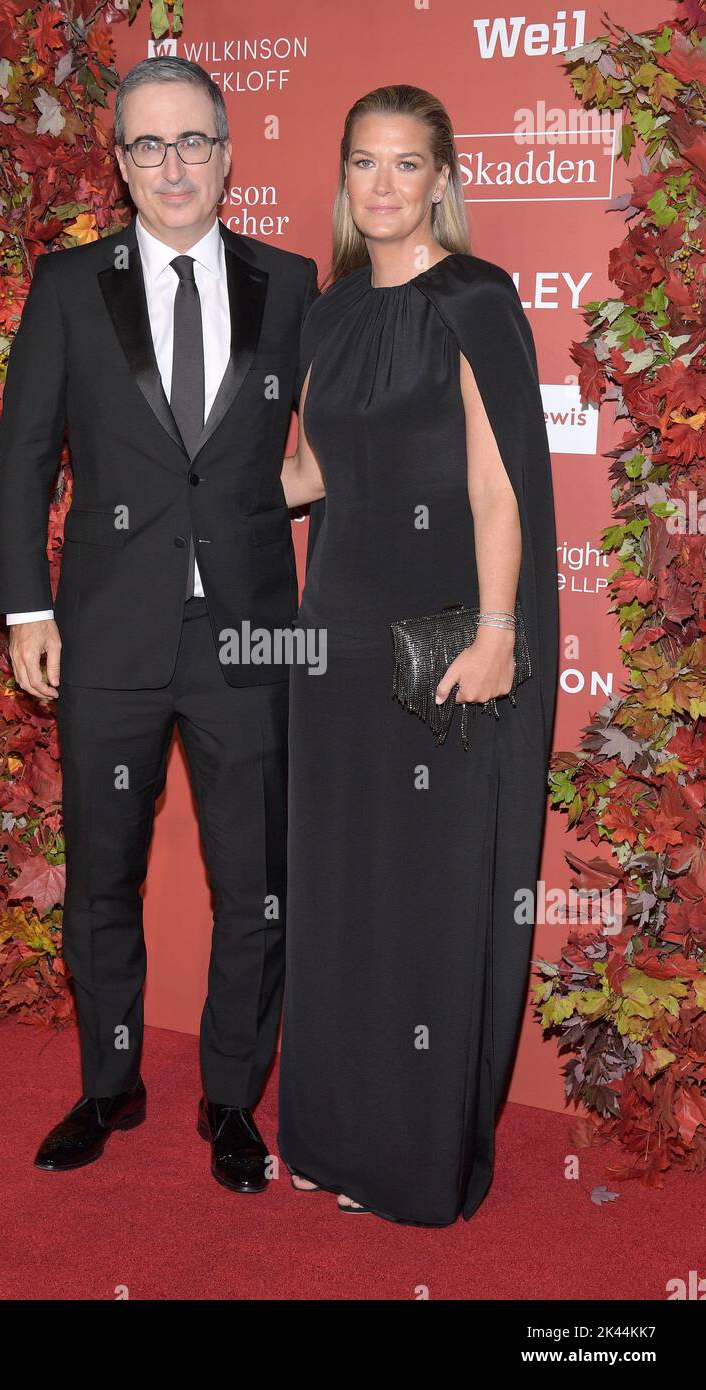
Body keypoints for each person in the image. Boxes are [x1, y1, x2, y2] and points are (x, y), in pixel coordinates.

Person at [0, 56, 317, 1192]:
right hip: (106, 635)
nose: (172, 165)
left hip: (247, 638)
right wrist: (26, 604)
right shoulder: (70, 284)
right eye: (148, 144)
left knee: (254, 885)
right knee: (101, 879)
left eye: (193, 142)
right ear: (119, 161)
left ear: (228, 154)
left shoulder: (290, 282)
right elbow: (26, 455)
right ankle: (109, 1081)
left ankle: (230, 1099)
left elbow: (331, 450)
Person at [277, 85, 558, 1222]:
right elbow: (307, 474)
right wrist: (184, 489)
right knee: (341, 893)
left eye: (405, 165)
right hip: (334, 635)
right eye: (362, 164)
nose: (381, 186)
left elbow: (499, 488)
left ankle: (409, 1160)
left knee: (423, 900)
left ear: (442, 177)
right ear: (342, 177)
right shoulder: (330, 312)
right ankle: (335, 1137)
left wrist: (497, 632)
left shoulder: (474, 303)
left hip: (436, 642)